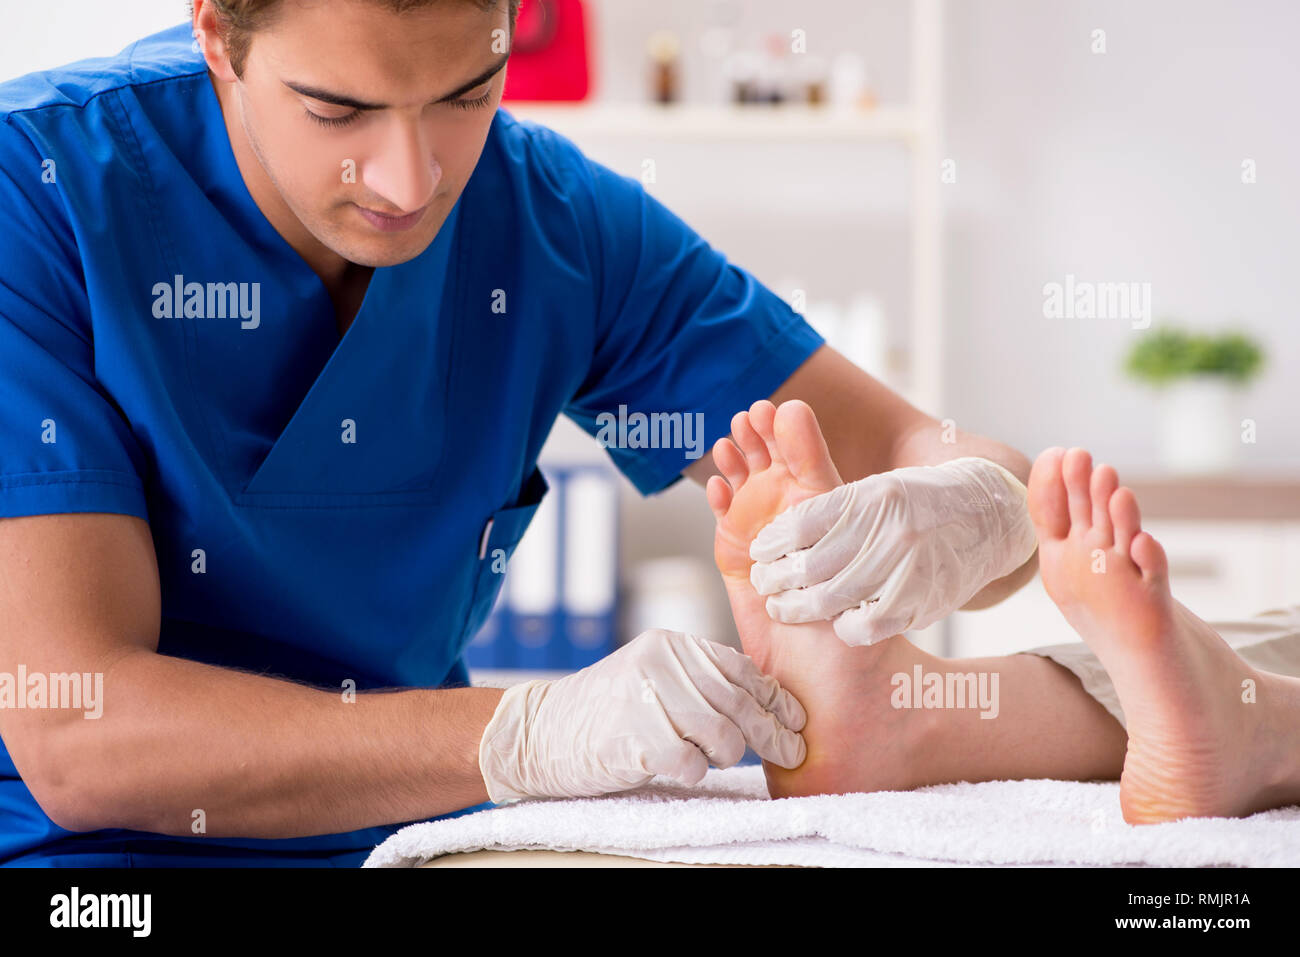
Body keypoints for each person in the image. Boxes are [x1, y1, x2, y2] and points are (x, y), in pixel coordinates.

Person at [0, 0, 1042, 866]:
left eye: (465, 95)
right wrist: (525, 733)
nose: (410, 186)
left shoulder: (550, 223)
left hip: (411, 842)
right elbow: (80, 736)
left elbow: (919, 446)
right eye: (338, 111)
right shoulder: (38, 195)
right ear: (220, 37)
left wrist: (980, 516)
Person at [710, 399, 1300, 823]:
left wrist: (991, 499)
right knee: (1260, 649)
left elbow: (904, 435)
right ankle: (903, 719)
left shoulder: (651, 272)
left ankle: (910, 720)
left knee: (1255, 654)